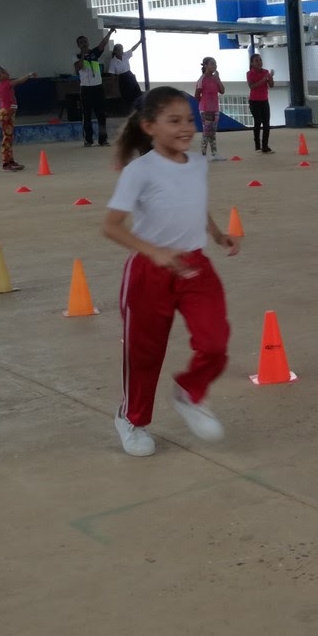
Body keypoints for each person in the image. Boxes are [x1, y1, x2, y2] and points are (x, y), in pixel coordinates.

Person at [102, 87, 238, 458]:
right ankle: (131, 419)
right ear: (149, 126)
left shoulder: (197, 163)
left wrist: (217, 234)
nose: (186, 128)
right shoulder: (139, 171)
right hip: (149, 272)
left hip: (195, 266)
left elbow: (195, 205)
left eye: (189, 120)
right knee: (144, 354)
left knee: (214, 342)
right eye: (174, 121)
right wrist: (154, 252)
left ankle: (189, 393)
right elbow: (112, 226)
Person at [0, 65, 37, 172]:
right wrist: (29, 75)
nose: (5, 72)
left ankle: (10, 161)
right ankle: (6, 163)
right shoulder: (6, 84)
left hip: (5, 112)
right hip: (7, 113)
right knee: (7, 138)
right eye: (2, 72)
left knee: (9, 137)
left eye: (4, 70)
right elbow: (19, 81)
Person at [74, 26, 116, 147]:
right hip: (86, 89)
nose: (83, 44)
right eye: (81, 43)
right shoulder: (75, 56)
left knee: (101, 114)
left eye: (85, 41)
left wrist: (110, 32)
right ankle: (88, 140)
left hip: (98, 87)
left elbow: (103, 43)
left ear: (88, 42)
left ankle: (103, 140)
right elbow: (78, 67)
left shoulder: (94, 54)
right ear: (78, 45)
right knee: (86, 115)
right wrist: (83, 55)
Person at [194, 56, 227, 160]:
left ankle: (214, 153)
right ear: (206, 66)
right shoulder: (202, 79)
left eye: (215, 64)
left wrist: (218, 79)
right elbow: (196, 95)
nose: (214, 66)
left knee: (212, 132)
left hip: (215, 108)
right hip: (205, 108)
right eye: (212, 64)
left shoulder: (215, 79)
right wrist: (204, 106)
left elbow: (222, 91)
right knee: (207, 132)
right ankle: (203, 154)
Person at [246, 52, 275, 153]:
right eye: (256, 61)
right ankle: (257, 146)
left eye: (260, 60)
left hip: (264, 100)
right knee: (257, 122)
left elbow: (271, 85)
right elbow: (252, 86)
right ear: (252, 63)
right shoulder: (249, 73)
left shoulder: (266, 72)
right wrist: (264, 79)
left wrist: (270, 78)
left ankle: (265, 146)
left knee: (266, 124)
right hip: (254, 101)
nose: (259, 62)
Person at [108, 39, 145, 113]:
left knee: (137, 93)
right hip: (122, 78)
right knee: (128, 97)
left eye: (122, 49)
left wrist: (140, 41)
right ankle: (131, 112)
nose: (121, 51)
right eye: (119, 50)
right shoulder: (113, 61)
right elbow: (112, 73)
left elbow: (133, 49)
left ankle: (140, 110)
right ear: (115, 51)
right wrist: (113, 86)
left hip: (130, 76)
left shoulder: (125, 55)